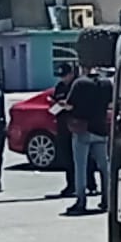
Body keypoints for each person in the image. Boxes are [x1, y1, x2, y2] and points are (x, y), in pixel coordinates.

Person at [62, 64, 112, 215]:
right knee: (104, 167)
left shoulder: (80, 83)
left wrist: (62, 106)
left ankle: (81, 201)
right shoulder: (106, 84)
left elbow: (69, 105)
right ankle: (106, 200)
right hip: (101, 129)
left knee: (81, 167)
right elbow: (110, 104)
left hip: (82, 129)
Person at [52, 63, 97, 198]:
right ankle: (71, 185)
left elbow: (82, 104)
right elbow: (55, 100)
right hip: (63, 126)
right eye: (61, 76)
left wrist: (69, 106)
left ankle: (91, 185)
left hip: (78, 126)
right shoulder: (60, 87)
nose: (63, 79)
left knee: (84, 158)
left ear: (72, 74)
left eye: (65, 75)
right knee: (67, 158)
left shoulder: (78, 85)